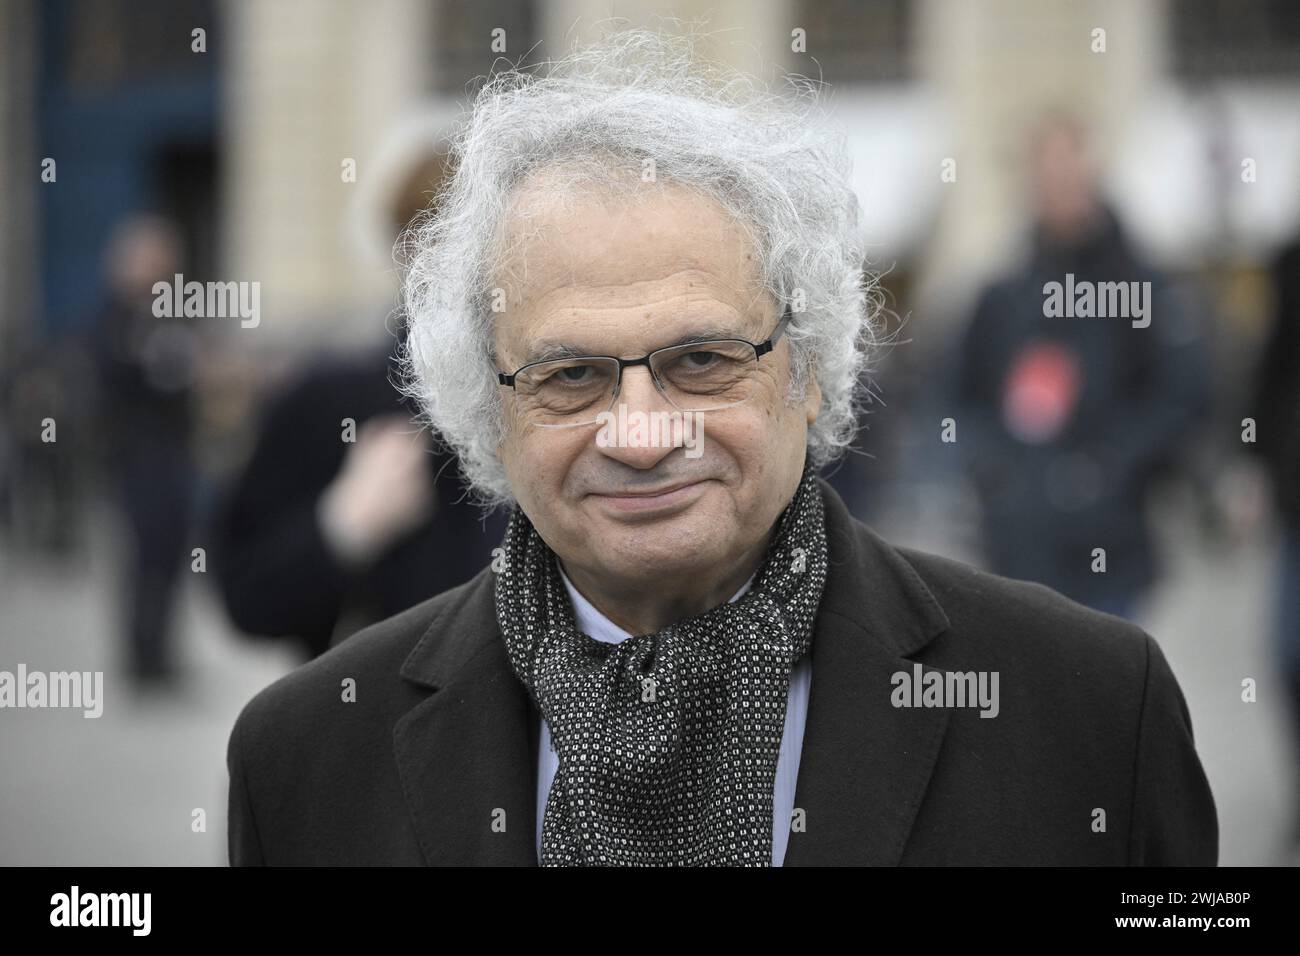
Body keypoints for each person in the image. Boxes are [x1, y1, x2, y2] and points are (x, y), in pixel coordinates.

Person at [227, 31, 1216, 866]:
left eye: (701, 359)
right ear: (486, 412)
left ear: (812, 366)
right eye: (569, 375)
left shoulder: (1087, 711)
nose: (643, 433)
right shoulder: (304, 761)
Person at [213, 148, 506, 661]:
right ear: (406, 250)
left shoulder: (556, 394)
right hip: (379, 726)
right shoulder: (330, 400)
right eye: (438, 242)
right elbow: (246, 597)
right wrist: (342, 526)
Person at [951, 114, 1211, 620]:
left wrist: (1109, 466)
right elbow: (956, 397)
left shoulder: (1142, 290)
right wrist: (995, 471)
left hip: (1113, 549)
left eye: (1069, 173)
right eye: (1047, 175)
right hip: (1017, 551)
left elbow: (1183, 398)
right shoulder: (1003, 295)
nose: (1059, 189)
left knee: (1106, 689)